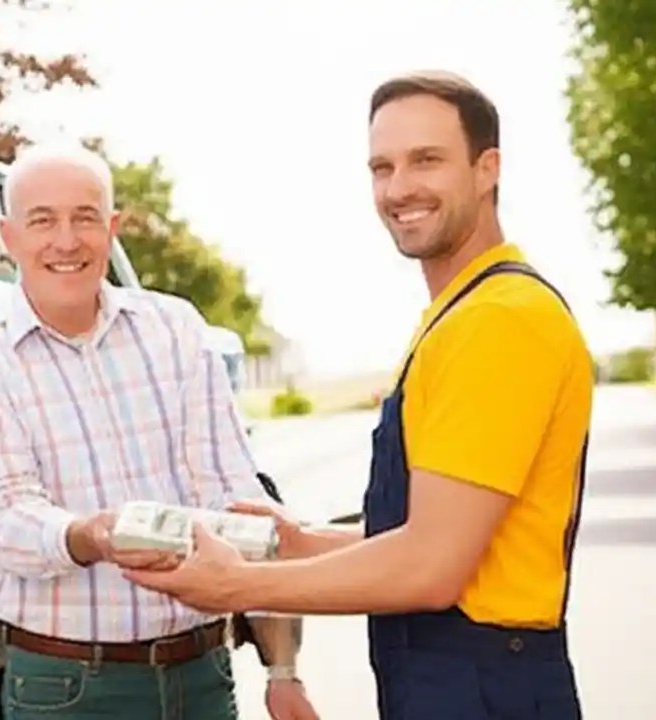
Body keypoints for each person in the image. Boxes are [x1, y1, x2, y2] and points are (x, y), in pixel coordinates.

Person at [124, 70, 593, 720]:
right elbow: (430, 530)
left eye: (426, 160)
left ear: (488, 169)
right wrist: (299, 540)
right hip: (455, 679)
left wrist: (241, 584)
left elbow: (429, 566)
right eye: (382, 167)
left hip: (484, 685)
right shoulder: (458, 314)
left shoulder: (500, 319)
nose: (399, 188)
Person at [0, 142, 318, 719]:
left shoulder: (175, 329)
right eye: (43, 221)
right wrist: (91, 535)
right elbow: (4, 520)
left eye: (85, 218)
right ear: (9, 237)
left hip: (203, 679)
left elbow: (239, 502)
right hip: (70, 691)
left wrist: (282, 669)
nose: (67, 240)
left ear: (112, 229)